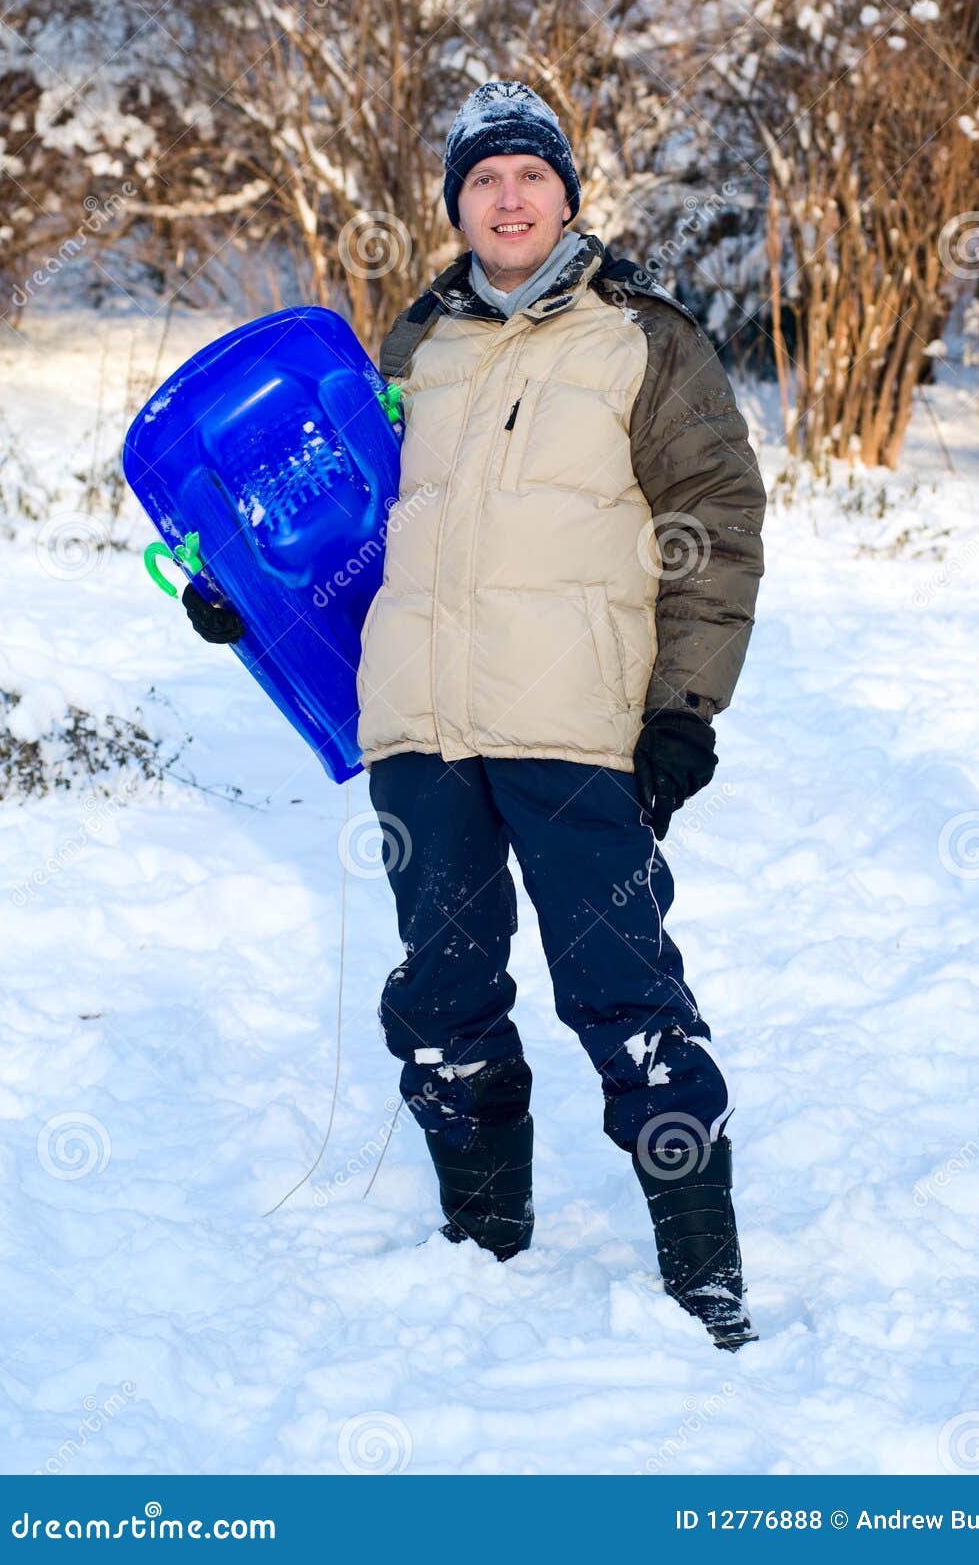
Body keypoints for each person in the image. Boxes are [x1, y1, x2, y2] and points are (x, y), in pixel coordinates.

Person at [183, 80, 766, 1352]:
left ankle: (706, 1282)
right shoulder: (411, 351)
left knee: (626, 993)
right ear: (457, 206)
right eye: (483, 180)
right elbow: (350, 535)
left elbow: (713, 531)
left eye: (531, 177)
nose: (508, 199)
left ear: (567, 195)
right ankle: (485, 1251)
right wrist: (253, 608)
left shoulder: (644, 338)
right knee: (442, 996)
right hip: (419, 734)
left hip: (571, 725)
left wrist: (682, 710)